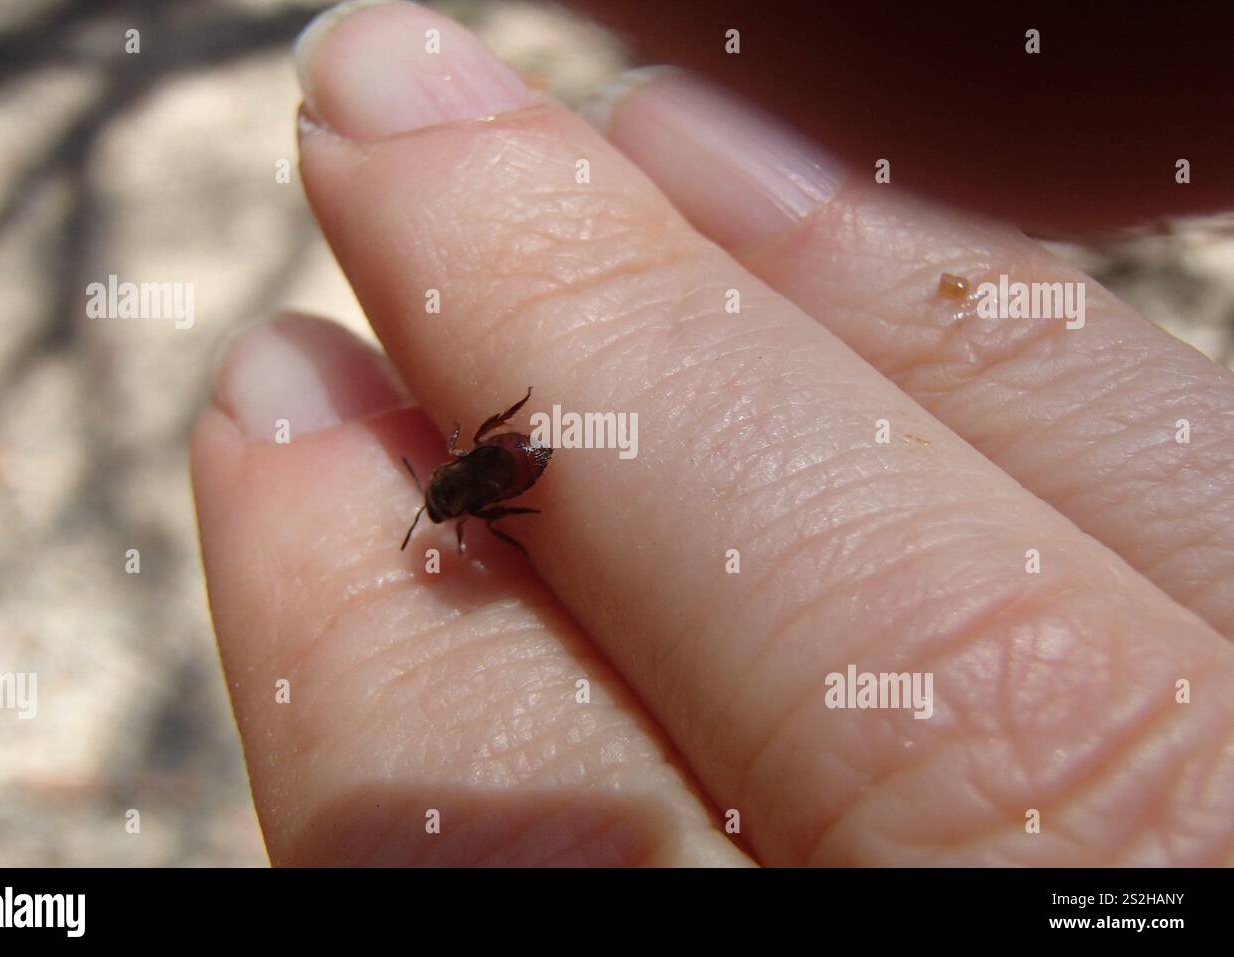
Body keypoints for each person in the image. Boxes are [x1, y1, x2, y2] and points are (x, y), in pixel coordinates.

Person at [191, 1, 1234, 865]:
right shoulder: (474, 495)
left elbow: (494, 479)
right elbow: (496, 476)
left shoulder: (470, 499)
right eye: (442, 498)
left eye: (443, 495)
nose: (443, 497)